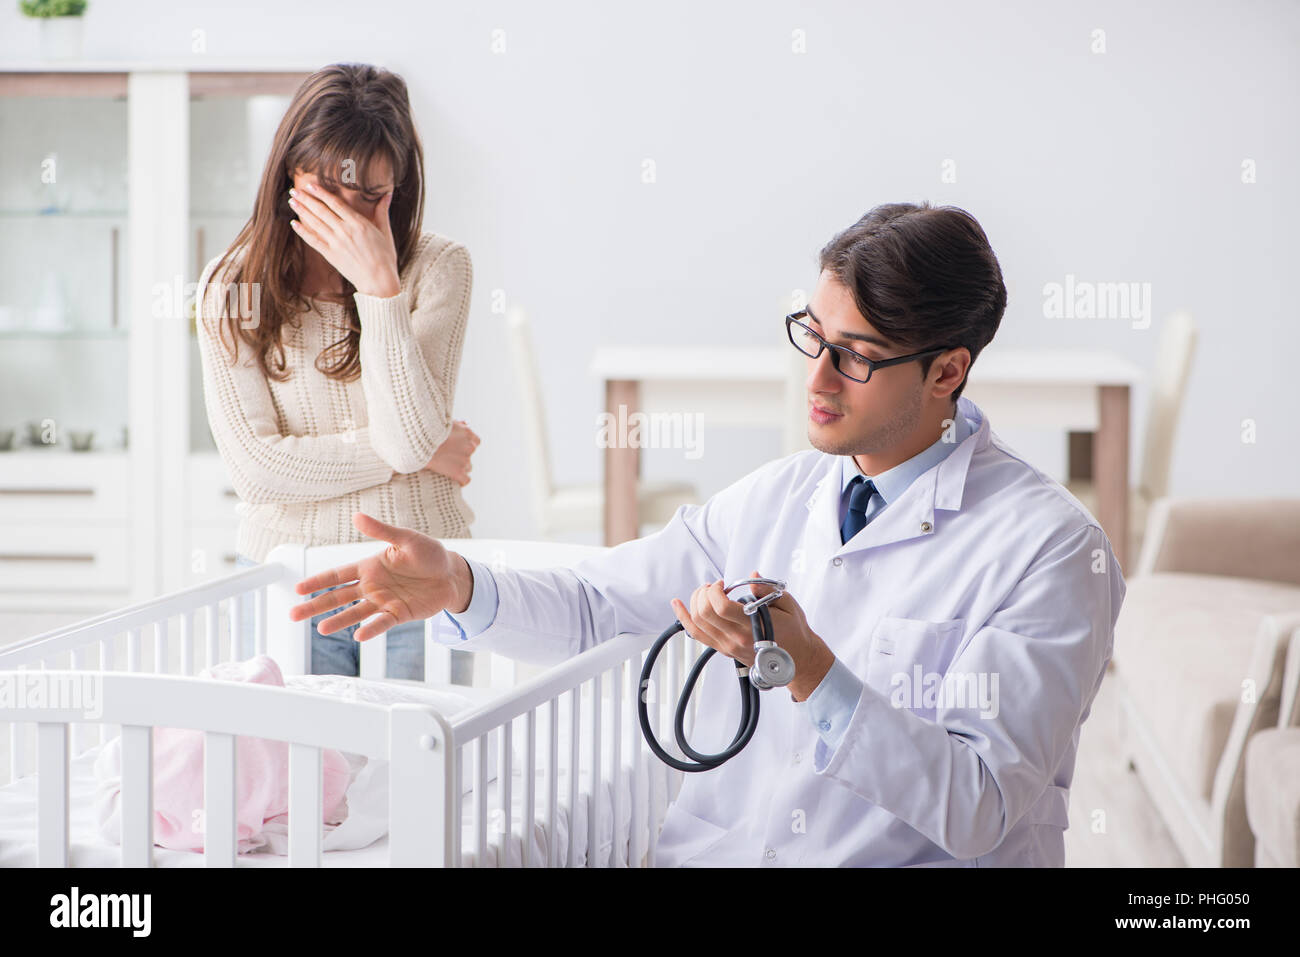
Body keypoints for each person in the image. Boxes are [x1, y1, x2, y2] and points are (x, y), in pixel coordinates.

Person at [287, 202, 1126, 866]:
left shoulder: (1050, 552)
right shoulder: (784, 495)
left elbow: (978, 804)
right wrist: (464, 586)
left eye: (856, 356)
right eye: (813, 337)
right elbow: (598, 603)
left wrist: (814, 672)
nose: (818, 379)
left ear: (948, 370)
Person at [195, 63, 480, 680]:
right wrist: (425, 451)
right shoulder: (232, 287)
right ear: (289, 174)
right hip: (290, 575)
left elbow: (410, 440)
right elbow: (257, 471)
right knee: (294, 772)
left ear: (397, 188)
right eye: (329, 191)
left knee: (416, 768)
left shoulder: (439, 268)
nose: (349, 217)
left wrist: (380, 288)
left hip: (416, 570)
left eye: (370, 197)